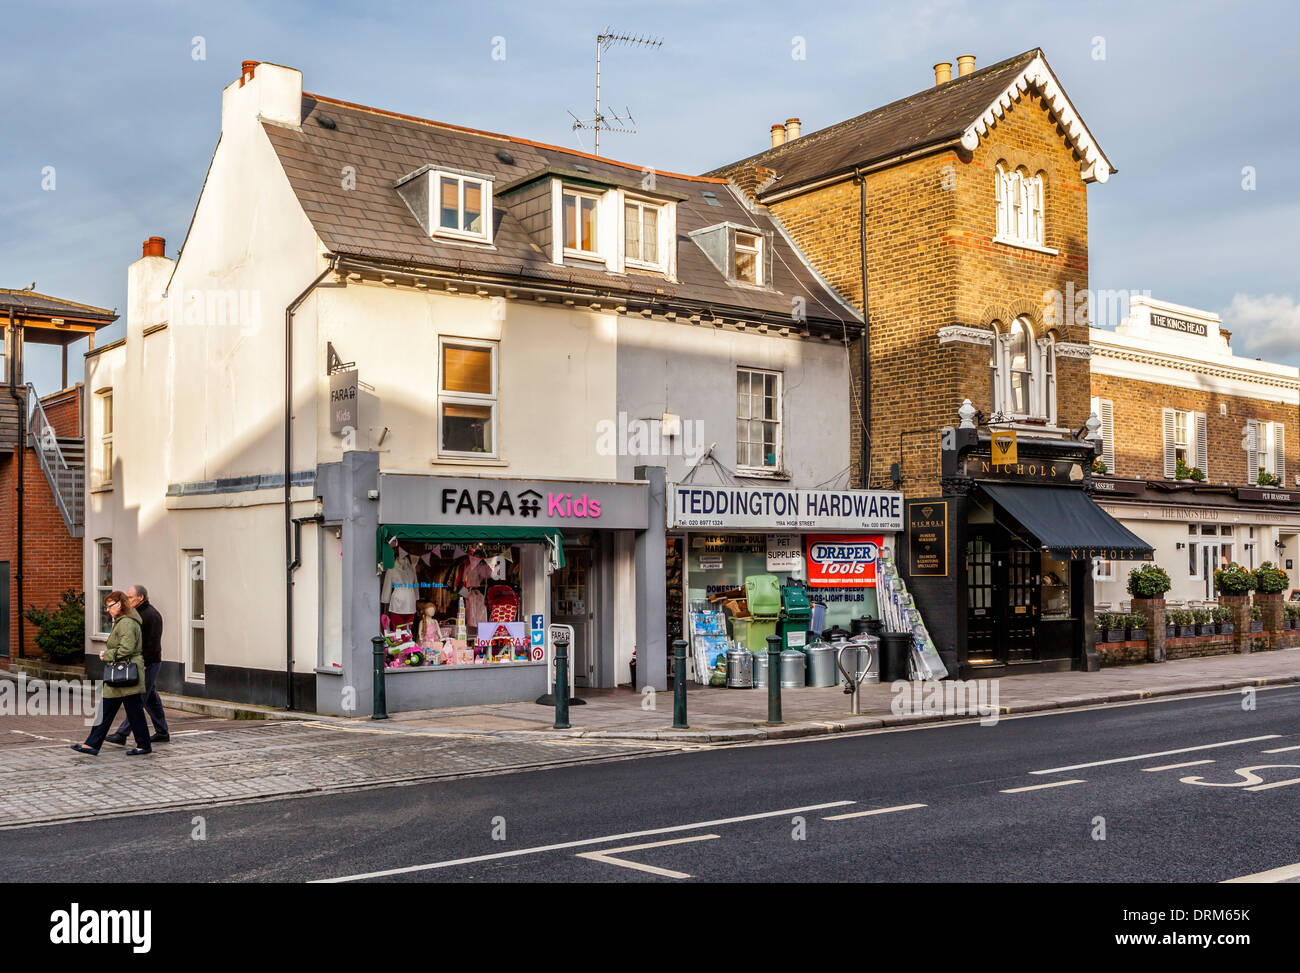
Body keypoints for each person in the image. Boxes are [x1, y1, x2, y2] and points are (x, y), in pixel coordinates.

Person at [71, 591, 152, 756]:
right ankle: (92, 744)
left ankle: (143, 745)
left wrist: (105, 655)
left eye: (109, 606)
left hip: (124, 673)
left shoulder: (127, 623)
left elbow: (127, 648)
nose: (107, 610)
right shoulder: (123, 621)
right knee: (111, 710)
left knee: (132, 710)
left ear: (119, 604)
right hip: (121, 673)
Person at [105, 584, 169, 745]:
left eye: (131, 597)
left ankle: (122, 733)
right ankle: (162, 731)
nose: (127, 599)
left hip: (148, 663)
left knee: (137, 699)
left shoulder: (150, 615)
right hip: (145, 663)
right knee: (151, 699)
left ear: (140, 598)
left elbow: (151, 643)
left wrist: (144, 664)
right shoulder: (136, 614)